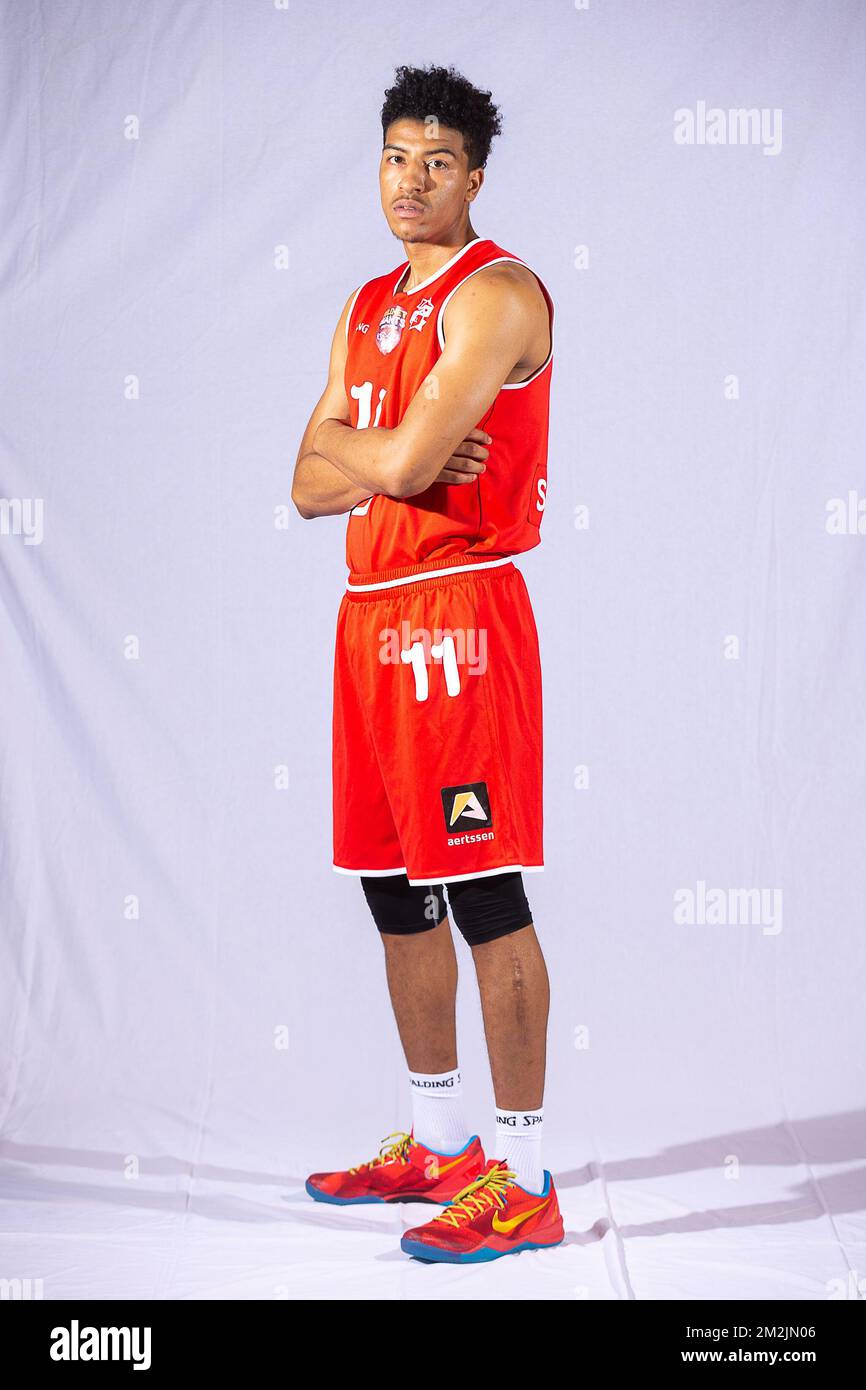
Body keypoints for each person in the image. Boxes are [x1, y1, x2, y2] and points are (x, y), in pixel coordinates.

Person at [291, 63, 562, 1263]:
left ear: (474, 178)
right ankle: (435, 1139)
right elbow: (307, 484)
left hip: (456, 613)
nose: (411, 181)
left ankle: (524, 1170)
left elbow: (392, 472)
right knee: (390, 892)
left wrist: (376, 453)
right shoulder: (361, 305)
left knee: (483, 888)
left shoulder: (494, 292)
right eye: (396, 157)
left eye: (436, 162)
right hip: (366, 614)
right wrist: (382, 447)